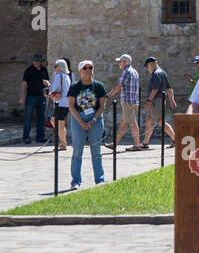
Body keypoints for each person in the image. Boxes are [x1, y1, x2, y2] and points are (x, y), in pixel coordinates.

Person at [67, 60, 107, 189]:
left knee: (96, 151)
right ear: (80, 71)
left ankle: (99, 179)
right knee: (77, 151)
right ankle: (75, 180)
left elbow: (102, 105)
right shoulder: (75, 87)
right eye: (85, 68)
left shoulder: (99, 86)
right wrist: (81, 122)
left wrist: (93, 120)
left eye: (91, 67)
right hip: (79, 118)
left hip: (95, 119)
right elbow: (71, 106)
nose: (88, 70)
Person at [107, 54, 144, 151]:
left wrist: (108, 96)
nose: (119, 63)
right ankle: (114, 143)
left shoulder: (126, 71)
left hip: (128, 102)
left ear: (125, 62)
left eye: (120, 61)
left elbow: (119, 86)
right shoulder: (134, 71)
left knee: (132, 123)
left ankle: (137, 145)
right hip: (134, 101)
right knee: (123, 123)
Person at [139, 57, 176, 148]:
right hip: (157, 101)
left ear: (151, 64)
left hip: (156, 101)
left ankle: (176, 140)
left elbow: (155, 89)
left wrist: (148, 101)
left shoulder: (156, 74)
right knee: (149, 121)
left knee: (161, 122)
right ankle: (145, 143)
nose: (147, 68)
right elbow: (169, 88)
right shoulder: (162, 72)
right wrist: (172, 100)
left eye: (147, 66)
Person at [20, 53, 49, 145]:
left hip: (42, 96)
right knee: (28, 117)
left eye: (37, 61)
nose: (36, 62)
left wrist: (47, 94)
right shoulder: (28, 70)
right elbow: (24, 84)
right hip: (31, 96)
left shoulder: (44, 70)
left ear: (40, 62)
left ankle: (40, 137)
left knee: (41, 117)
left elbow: (47, 83)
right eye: (34, 61)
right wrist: (22, 96)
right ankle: (26, 137)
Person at [46, 58, 72, 151]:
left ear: (60, 67)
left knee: (55, 122)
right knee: (61, 123)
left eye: (56, 66)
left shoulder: (58, 76)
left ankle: (63, 143)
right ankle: (62, 142)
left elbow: (53, 88)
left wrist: (48, 84)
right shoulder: (67, 76)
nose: (55, 68)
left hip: (60, 102)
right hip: (66, 102)